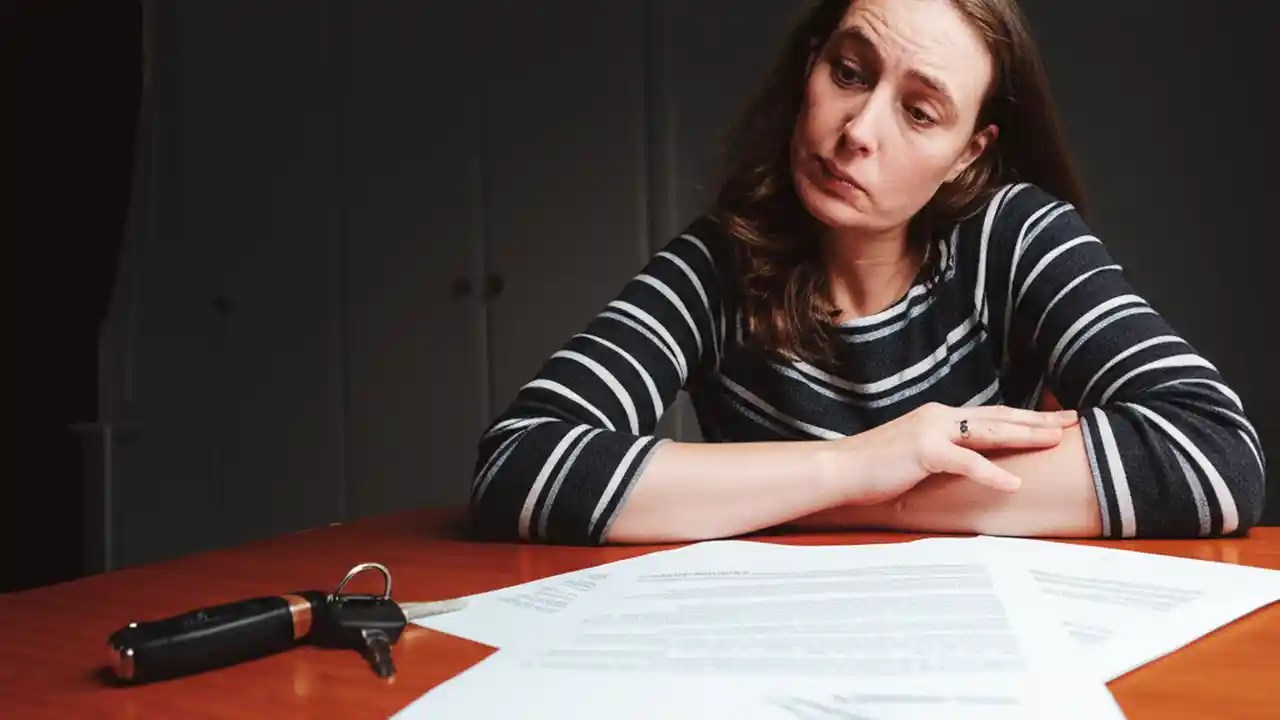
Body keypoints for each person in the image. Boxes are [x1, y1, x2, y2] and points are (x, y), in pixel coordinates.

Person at [469, 0, 1265, 545]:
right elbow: (521, 463)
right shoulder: (715, 266)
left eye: (920, 112)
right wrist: (856, 466)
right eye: (850, 72)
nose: (857, 131)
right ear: (810, 66)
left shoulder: (1014, 236)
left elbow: (1212, 454)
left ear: (968, 154)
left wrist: (803, 501)